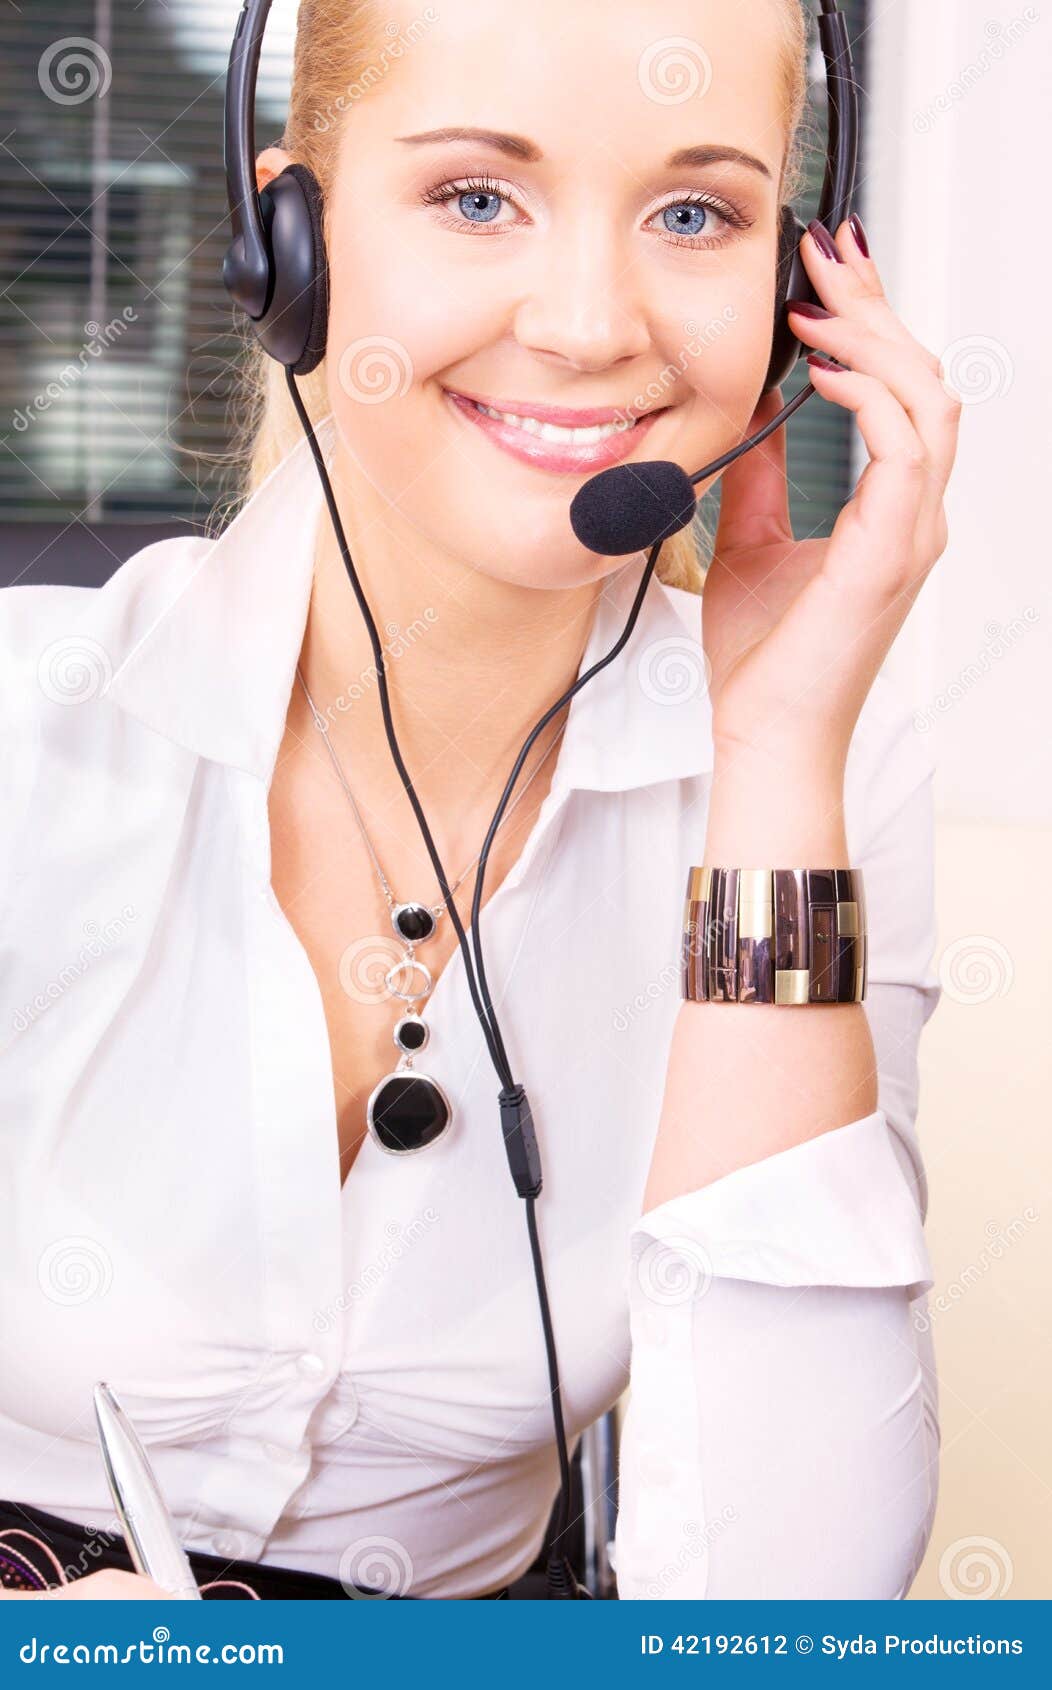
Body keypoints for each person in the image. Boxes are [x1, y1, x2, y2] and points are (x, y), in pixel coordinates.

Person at [0, 0, 959, 1599]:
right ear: (284, 242)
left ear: (795, 296)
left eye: (693, 213)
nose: (588, 322)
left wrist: (777, 767)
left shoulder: (824, 770)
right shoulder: (35, 727)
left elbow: (788, 1624)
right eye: (474, 197)